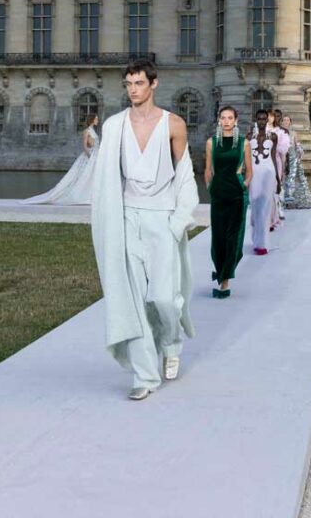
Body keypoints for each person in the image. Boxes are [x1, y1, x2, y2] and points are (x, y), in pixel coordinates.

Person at [90, 59, 199, 401]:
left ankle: (171, 342)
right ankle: (144, 376)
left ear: (153, 84)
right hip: (128, 218)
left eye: (138, 83)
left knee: (163, 298)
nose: (133, 89)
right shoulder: (115, 125)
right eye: (128, 84)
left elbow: (184, 176)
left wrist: (178, 222)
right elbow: (108, 176)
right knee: (133, 298)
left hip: (162, 218)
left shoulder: (174, 124)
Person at [205, 105, 252, 299]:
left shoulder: (243, 143)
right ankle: (221, 269)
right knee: (218, 237)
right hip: (218, 194)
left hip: (236, 194)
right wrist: (210, 187)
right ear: (219, 120)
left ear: (235, 121)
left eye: (230, 118)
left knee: (233, 238)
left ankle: (225, 280)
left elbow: (249, 171)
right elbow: (208, 169)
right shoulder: (211, 142)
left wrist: (244, 185)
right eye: (223, 118)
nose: (226, 121)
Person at [23, 114, 100, 205]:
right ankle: (80, 196)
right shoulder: (87, 131)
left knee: (92, 177)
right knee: (82, 177)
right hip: (90, 156)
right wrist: (90, 156)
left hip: (96, 155)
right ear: (91, 120)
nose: (97, 120)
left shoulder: (93, 131)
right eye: (96, 119)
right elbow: (84, 145)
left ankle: (92, 195)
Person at [247, 109, 281, 256]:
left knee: (266, 206)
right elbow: (245, 157)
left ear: (267, 120)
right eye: (259, 119)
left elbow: (273, 157)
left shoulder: (273, 136)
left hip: (268, 172)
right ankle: (256, 240)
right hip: (254, 172)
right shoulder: (249, 136)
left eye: (263, 119)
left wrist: (278, 180)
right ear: (255, 120)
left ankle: (263, 244)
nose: (261, 121)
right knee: (254, 205)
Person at [280, 115, 311, 210]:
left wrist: (300, 152)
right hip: (282, 158)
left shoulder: (294, 133)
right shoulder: (279, 133)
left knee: (291, 178)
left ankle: (292, 200)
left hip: (292, 158)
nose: (286, 122)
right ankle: (282, 200)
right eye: (284, 120)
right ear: (282, 122)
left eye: (288, 120)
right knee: (282, 178)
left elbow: (297, 145)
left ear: (290, 122)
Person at [271, 109, 291, 225]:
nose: (277, 118)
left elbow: (285, 152)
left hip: (278, 161)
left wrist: (284, 166)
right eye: (275, 116)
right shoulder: (267, 130)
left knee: (279, 186)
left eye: (279, 116)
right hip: (266, 162)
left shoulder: (284, 131)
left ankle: (279, 209)